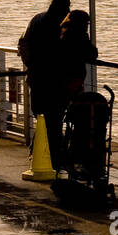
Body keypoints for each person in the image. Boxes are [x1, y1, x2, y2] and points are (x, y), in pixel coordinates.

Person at [49, 9, 97, 165]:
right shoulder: (80, 35)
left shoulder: (60, 32)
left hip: (57, 79)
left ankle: (56, 152)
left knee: (56, 118)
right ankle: (74, 152)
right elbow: (91, 54)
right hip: (73, 79)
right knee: (78, 116)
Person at [20, 0, 70, 135]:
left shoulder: (37, 20)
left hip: (37, 77)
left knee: (42, 116)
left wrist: (30, 64)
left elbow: (23, 43)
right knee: (56, 119)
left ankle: (39, 150)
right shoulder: (66, 24)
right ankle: (52, 153)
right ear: (67, 3)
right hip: (59, 80)